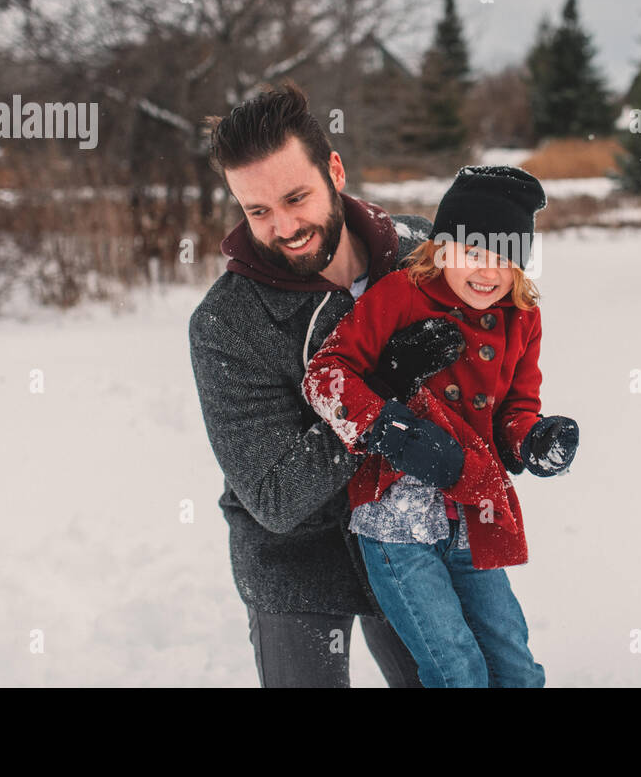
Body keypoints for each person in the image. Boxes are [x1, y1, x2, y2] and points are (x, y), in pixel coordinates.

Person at [189, 80, 464, 687]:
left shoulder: (419, 253)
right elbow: (275, 496)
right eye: (257, 210)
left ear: (334, 170)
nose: (283, 227)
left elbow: (481, 369)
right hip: (299, 559)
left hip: (411, 528)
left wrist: (519, 430)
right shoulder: (226, 323)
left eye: (296, 198)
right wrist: (378, 396)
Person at [301, 165, 581, 687]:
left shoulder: (522, 318)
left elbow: (516, 410)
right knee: (457, 670)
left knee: (515, 666)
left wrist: (533, 440)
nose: (487, 271)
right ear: (442, 247)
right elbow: (324, 377)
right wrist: (390, 430)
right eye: (473, 252)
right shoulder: (400, 296)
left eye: (504, 258)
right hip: (396, 516)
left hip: (475, 507)